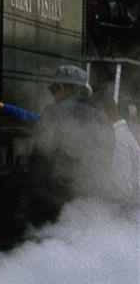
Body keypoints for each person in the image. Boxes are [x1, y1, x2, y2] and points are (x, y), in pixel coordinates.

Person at [26, 63, 115, 221]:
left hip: (56, 200)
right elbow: (106, 162)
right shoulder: (102, 120)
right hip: (91, 200)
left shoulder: (52, 112)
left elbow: (41, 158)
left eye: (54, 90)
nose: (54, 95)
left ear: (61, 88)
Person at [101, 95, 140, 208]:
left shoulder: (118, 137)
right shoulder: (124, 132)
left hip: (127, 204)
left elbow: (121, 179)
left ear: (103, 112)